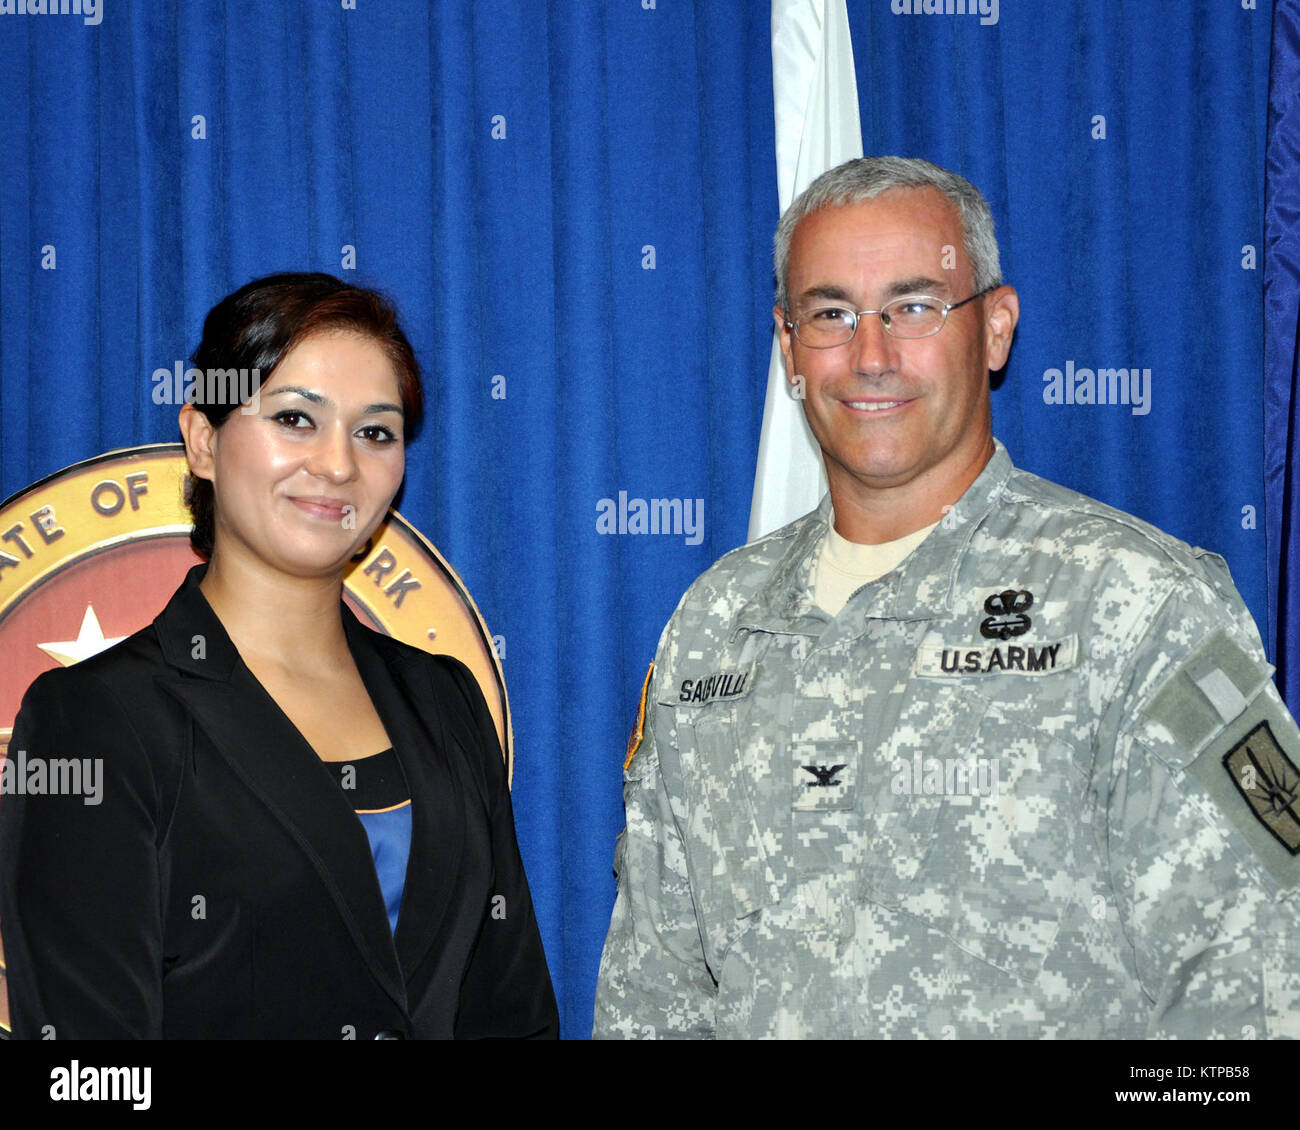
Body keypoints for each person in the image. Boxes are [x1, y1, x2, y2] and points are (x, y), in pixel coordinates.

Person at [593, 156, 1300, 1039]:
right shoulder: (714, 627)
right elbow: (653, 998)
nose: (872, 355)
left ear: (995, 328)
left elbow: (1259, 989)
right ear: (788, 347)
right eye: (831, 315)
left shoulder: (1138, 606)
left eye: (915, 307)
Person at [0, 272, 558, 1039]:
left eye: (375, 432)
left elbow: (510, 1010)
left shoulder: (444, 699)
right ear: (202, 440)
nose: (337, 465)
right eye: (296, 418)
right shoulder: (95, 719)